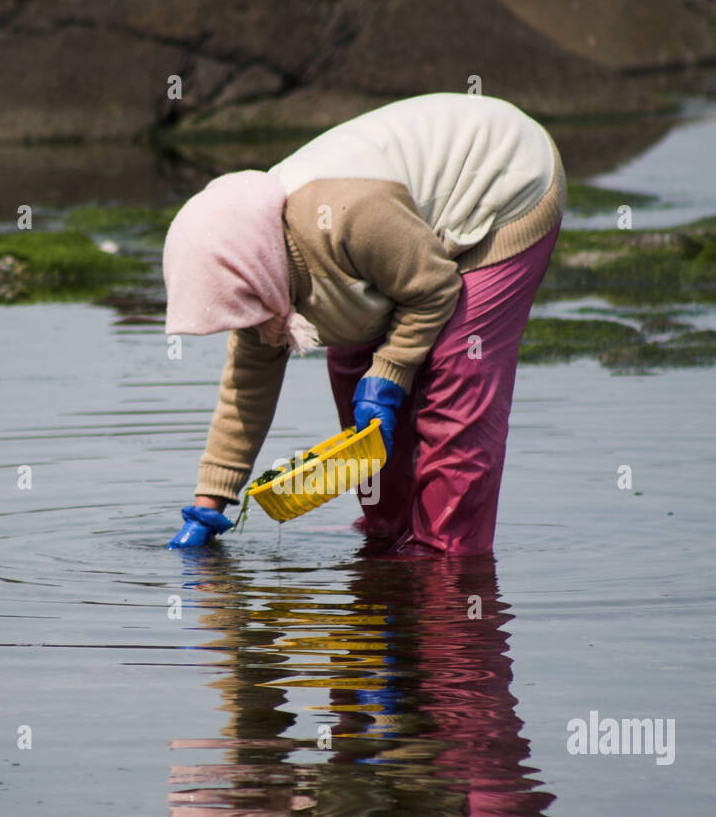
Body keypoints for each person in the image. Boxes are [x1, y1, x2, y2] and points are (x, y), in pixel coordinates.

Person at [163, 92, 565, 555]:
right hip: (405, 244)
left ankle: (445, 556)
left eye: (239, 309)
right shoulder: (262, 271)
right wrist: (209, 502)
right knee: (354, 370)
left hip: (506, 182)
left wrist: (392, 370)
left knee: (457, 372)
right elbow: (245, 391)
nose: (244, 326)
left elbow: (434, 289)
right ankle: (388, 526)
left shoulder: (348, 215)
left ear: (249, 272)